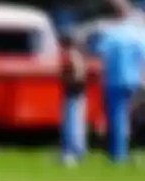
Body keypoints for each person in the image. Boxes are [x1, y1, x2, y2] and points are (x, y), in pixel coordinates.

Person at [92, 6, 145, 164]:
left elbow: (100, 52)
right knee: (127, 116)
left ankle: (118, 153)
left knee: (117, 117)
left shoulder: (111, 34)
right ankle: (124, 150)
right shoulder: (137, 34)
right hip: (132, 79)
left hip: (114, 79)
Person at [59, 32, 89, 166]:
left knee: (73, 123)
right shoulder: (77, 55)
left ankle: (73, 151)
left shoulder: (72, 56)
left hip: (74, 92)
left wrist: (67, 80)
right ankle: (76, 150)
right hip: (76, 92)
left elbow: (77, 74)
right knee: (75, 123)